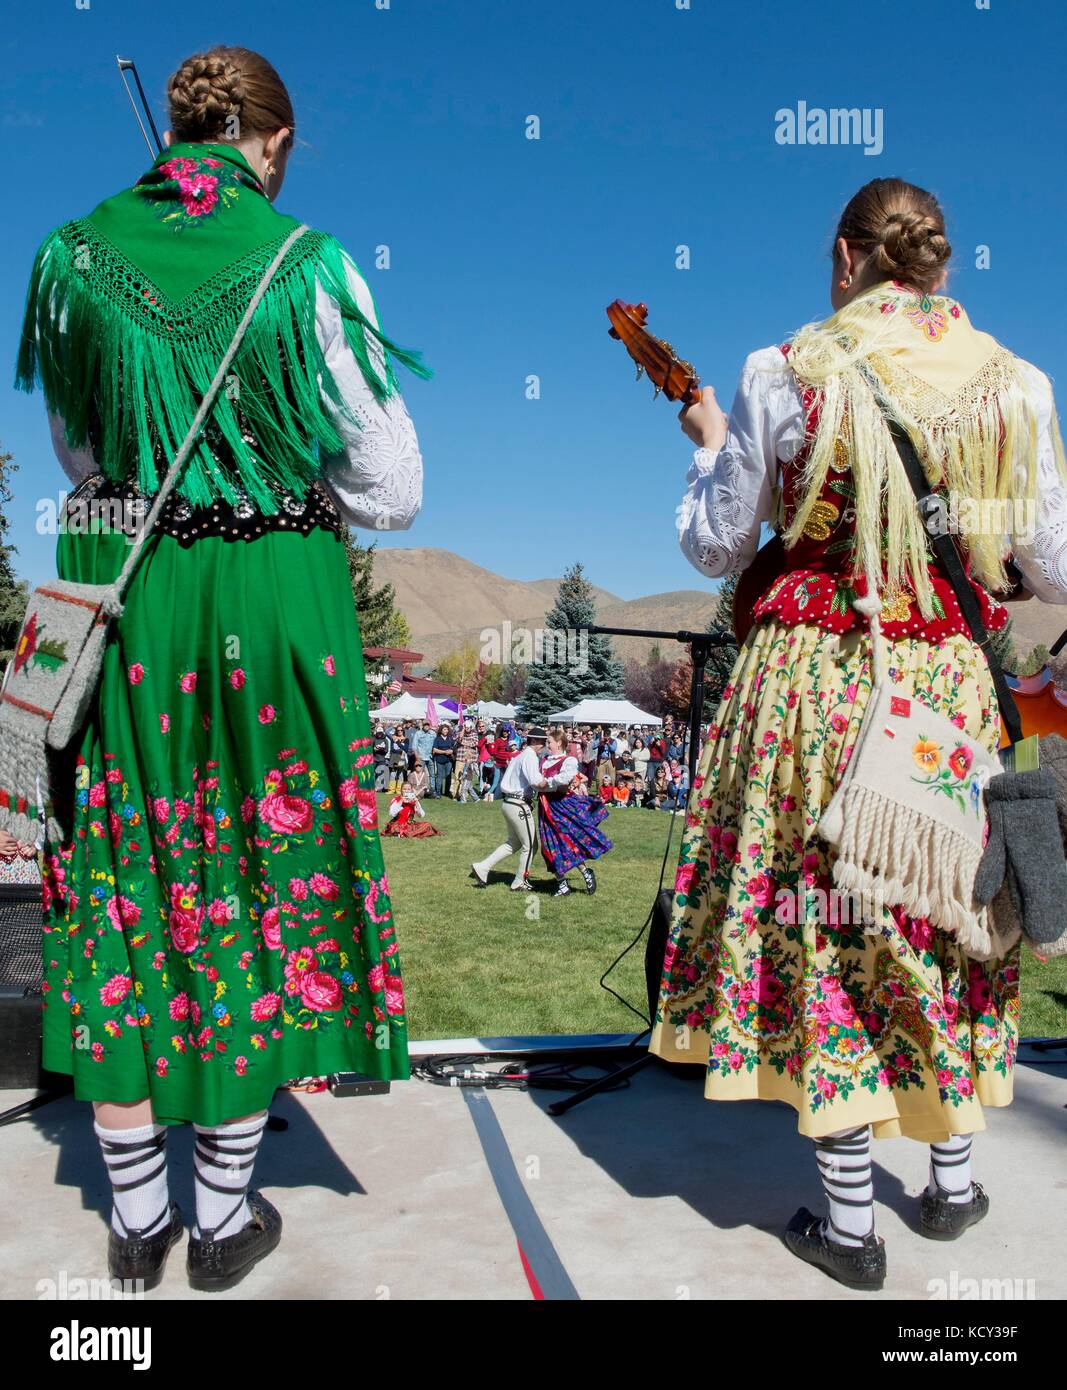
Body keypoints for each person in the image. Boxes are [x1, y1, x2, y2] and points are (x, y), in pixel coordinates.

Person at [16, 46, 426, 1292]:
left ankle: (134, 1219)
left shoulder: (73, 259)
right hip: (270, 595)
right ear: (274, 142)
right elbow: (392, 488)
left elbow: (82, 458)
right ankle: (224, 1215)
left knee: (135, 872)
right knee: (259, 866)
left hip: (134, 598)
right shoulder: (306, 265)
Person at [648, 177, 1067, 1291]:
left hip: (815, 681)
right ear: (935, 262)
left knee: (824, 926)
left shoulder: (783, 370)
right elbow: (1056, 566)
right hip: (944, 689)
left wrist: (705, 448)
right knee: (951, 918)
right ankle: (948, 1183)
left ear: (845, 257)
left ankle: (846, 1225)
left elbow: (714, 546)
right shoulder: (1015, 386)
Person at [470, 728, 548, 891]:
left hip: (510, 803)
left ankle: (482, 867)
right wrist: (553, 782)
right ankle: (519, 881)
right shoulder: (529, 756)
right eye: (543, 742)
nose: (544, 745)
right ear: (534, 741)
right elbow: (535, 782)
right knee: (530, 846)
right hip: (519, 803)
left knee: (513, 843)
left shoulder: (522, 755)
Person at [536, 727, 612, 896]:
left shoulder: (568, 761)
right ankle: (561, 884)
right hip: (545, 806)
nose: (547, 744)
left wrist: (544, 783)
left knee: (569, 842)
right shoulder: (545, 760)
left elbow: (564, 779)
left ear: (559, 743)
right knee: (548, 845)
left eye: (549, 742)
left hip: (561, 806)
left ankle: (586, 872)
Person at [454, 720, 480, 801]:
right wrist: (462, 731)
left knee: (467, 779)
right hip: (460, 758)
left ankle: (464, 796)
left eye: (469, 727)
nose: (467, 728)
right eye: (466, 727)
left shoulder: (474, 734)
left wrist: (464, 742)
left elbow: (475, 743)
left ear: (471, 727)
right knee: (457, 777)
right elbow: (458, 739)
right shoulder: (460, 732)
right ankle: (456, 795)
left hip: (470, 760)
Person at [430, 721, 456, 799]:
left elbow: (453, 748)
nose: (446, 731)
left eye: (447, 729)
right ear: (441, 730)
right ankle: (438, 792)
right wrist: (445, 752)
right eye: (444, 729)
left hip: (449, 760)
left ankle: (447, 792)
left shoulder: (450, 738)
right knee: (439, 776)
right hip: (440, 759)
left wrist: (451, 751)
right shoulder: (437, 739)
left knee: (448, 776)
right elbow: (434, 750)